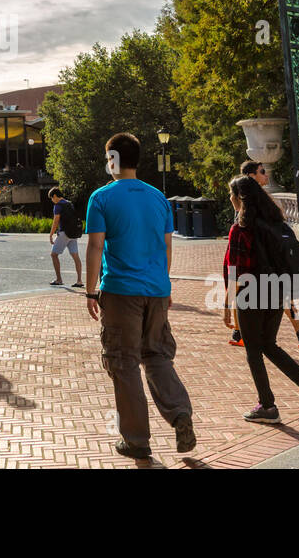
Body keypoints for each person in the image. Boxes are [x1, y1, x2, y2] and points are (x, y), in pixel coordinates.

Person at [85, 132, 195, 460]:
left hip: (121, 291)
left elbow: (95, 247)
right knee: (158, 355)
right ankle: (180, 414)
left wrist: (90, 291)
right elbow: (167, 246)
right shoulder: (158, 198)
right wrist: (165, 285)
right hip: (157, 290)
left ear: (113, 159)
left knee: (124, 362)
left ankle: (136, 440)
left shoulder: (101, 198)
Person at [224, 176, 299, 425]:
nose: (230, 198)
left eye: (231, 194)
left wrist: (227, 306)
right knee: (268, 344)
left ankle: (267, 406)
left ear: (239, 198)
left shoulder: (240, 228)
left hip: (249, 294)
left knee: (253, 350)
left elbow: (235, 270)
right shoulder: (275, 223)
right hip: (276, 291)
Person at [226, 160, 299, 350]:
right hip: (260, 261)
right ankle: (298, 334)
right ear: (251, 176)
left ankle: (240, 333)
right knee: (252, 288)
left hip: (262, 263)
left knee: (262, 290)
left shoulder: (253, 197)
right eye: (262, 172)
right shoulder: (250, 199)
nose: (266, 175)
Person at [47, 187, 84, 287]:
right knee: (75, 256)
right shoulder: (69, 203)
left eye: (51, 198)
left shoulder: (58, 206)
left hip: (64, 233)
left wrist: (51, 234)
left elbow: (56, 221)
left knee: (54, 255)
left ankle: (59, 279)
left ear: (54, 196)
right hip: (73, 233)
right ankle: (79, 280)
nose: (52, 200)